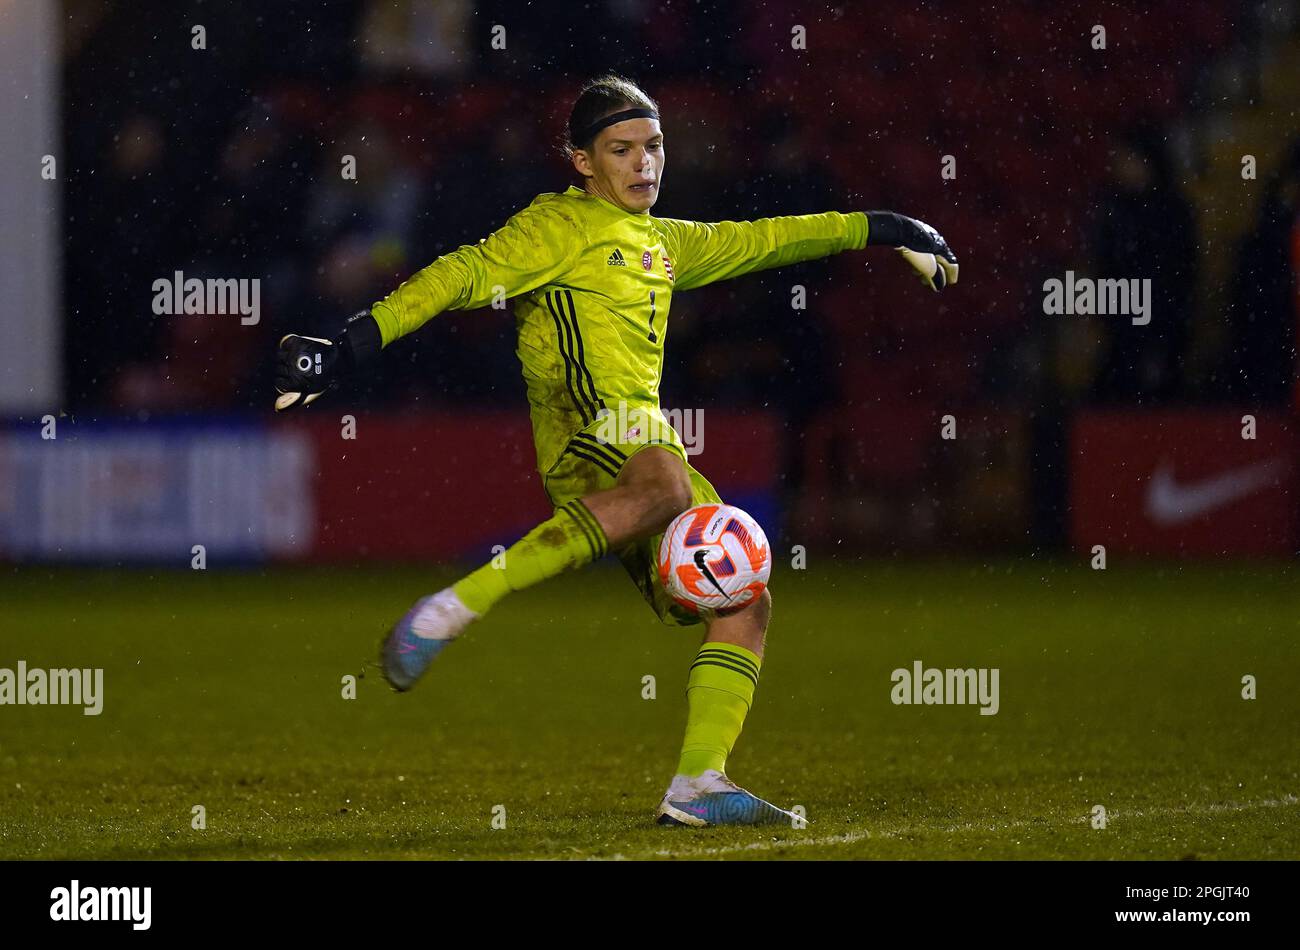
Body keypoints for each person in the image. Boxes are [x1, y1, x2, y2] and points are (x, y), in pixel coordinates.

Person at [273, 74, 958, 826]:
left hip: (644, 446)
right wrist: (351, 343)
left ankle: (697, 783)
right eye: (621, 150)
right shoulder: (555, 229)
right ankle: (451, 608)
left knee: (746, 599)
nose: (644, 164)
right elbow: (459, 274)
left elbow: (770, 238)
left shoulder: (664, 244)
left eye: (654, 147)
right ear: (581, 161)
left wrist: (889, 227)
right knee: (668, 485)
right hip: (585, 432)